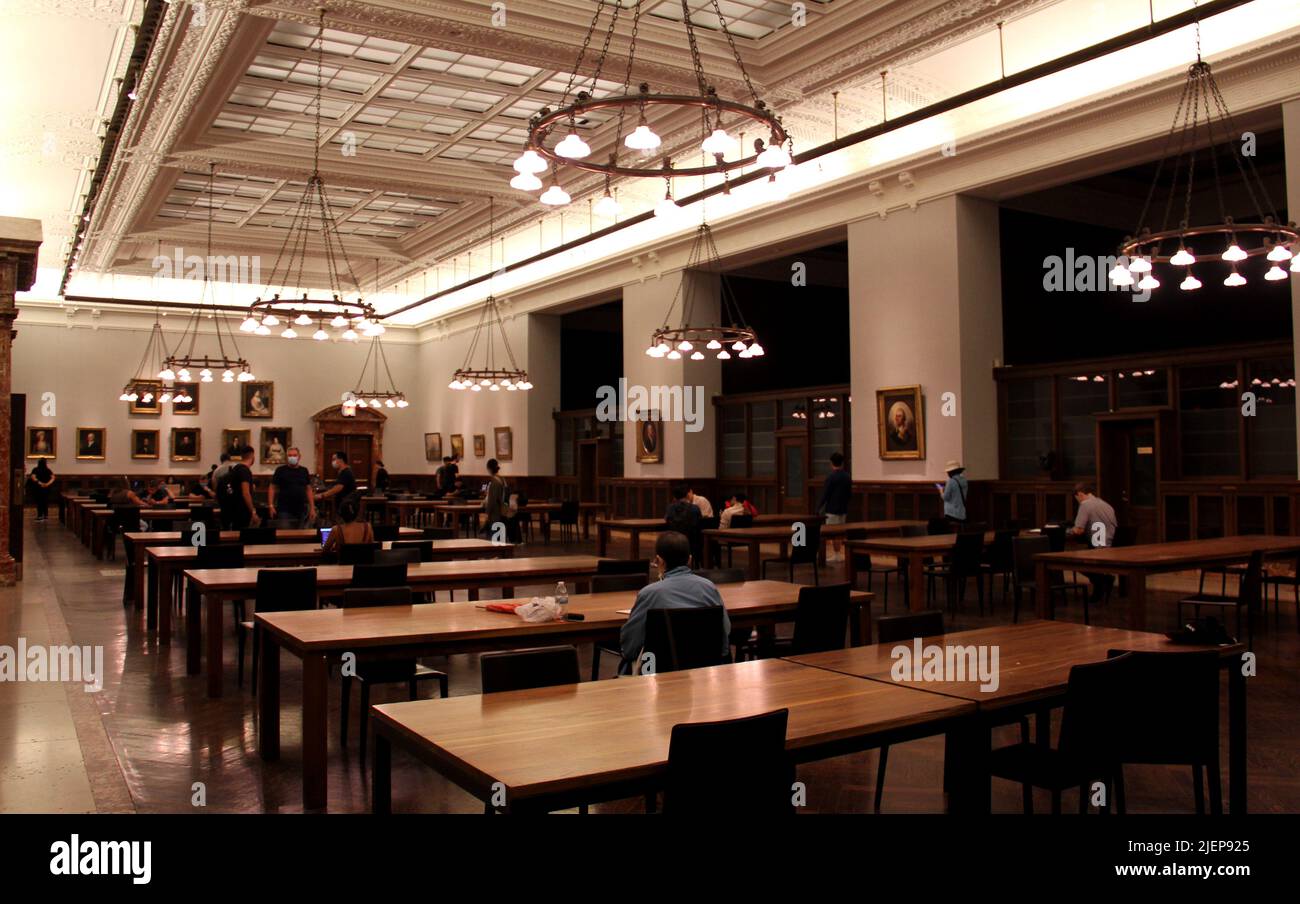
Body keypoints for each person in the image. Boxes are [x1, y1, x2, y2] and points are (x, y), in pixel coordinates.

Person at [618, 531, 731, 675]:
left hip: (657, 674)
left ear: (659, 561)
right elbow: (725, 632)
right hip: (703, 674)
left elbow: (630, 646)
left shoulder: (649, 593)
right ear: (689, 560)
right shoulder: (709, 588)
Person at [1067, 481, 1119, 603]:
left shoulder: (1085, 505)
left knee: (1074, 562)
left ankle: (1103, 580)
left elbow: (1078, 530)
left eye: (1076, 499)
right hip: (1112, 546)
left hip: (1099, 548)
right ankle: (1099, 588)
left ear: (1079, 494)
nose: (1078, 502)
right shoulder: (1105, 504)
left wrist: (1068, 530)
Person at [269, 446, 316, 529]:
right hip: (284, 509)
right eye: (290, 455)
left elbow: (308, 489)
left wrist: (312, 507)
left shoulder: (304, 470)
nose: (292, 457)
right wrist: (271, 505)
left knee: (302, 535)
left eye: (294, 455)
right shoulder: (280, 470)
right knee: (285, 534)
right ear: (287, 457)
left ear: (299, 457)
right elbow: (272, 487)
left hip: (301, 509)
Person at [817, 452, 851, 562]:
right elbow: (849, 494)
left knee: (832, 533)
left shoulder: (831, 477)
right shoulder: (847, 476)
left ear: (831, 463)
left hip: (832, 509)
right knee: (840, 533)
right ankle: (838, 553)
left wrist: (818, 507)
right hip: (843, 508)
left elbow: (826, 494)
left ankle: (836, 554)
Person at [218, 444, 259, 530]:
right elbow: (245, 493)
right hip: (241, 511)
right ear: (252, 456)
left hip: (231, 510)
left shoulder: (235, 468)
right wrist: (253, 511)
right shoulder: (245, 470)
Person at [481, 458, 513, 539]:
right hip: (504, 510)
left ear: (489, 469)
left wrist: (487, 513)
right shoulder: (502, 479)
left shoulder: (494, 482)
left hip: (495, 513)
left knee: (495, 538)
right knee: (501, 537)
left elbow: (492, 500)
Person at [939, 460, 968, 525]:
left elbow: (945, 497)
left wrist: (941, 490)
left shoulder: (951, 481)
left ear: (951, 472)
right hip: (962, 512)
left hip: (951, 513)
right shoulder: (964, 480)